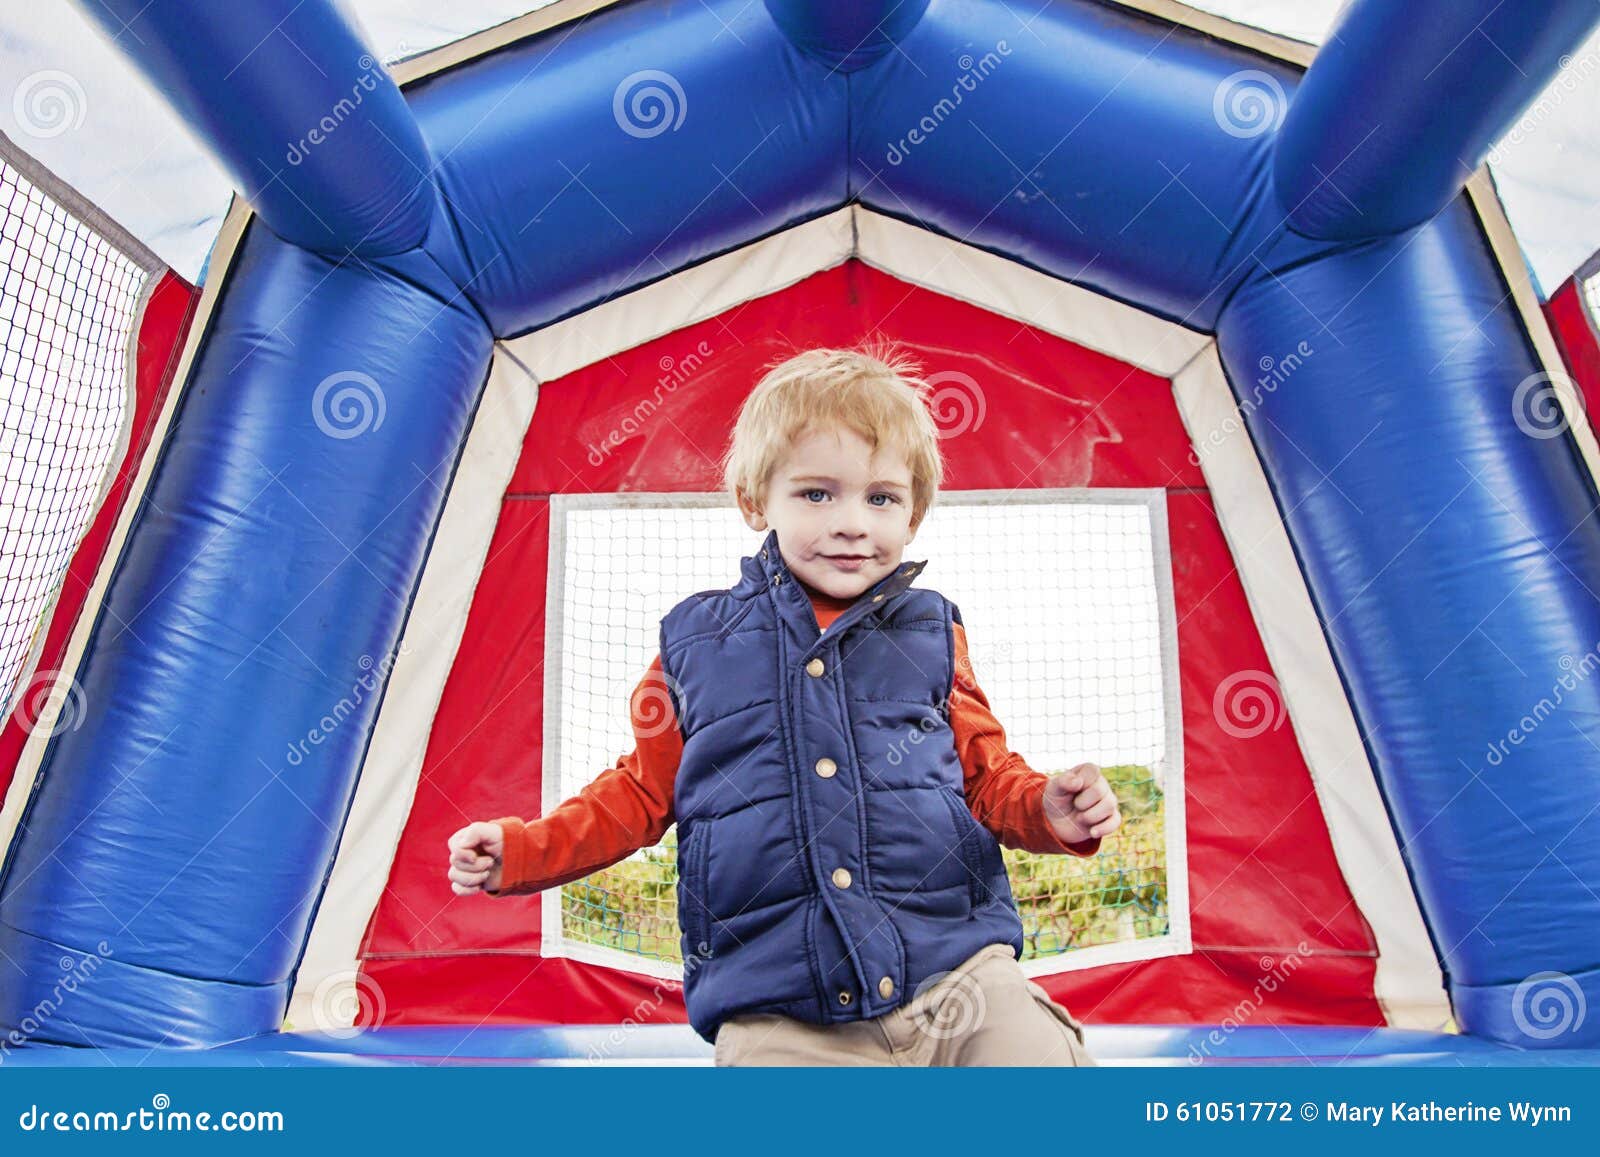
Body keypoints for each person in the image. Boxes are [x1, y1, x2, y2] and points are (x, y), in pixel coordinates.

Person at [447, 346, 1122, 1065]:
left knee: (1035, 1059)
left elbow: (989, 777)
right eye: (816, 494)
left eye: (882, 498)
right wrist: (524, 851)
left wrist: (1046, 810)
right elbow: (638, 793)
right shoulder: (696, 645)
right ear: (754, 501)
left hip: (956, 975)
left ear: (915, 513)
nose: (853, 523)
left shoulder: (932, 634)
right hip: (780, 1005)